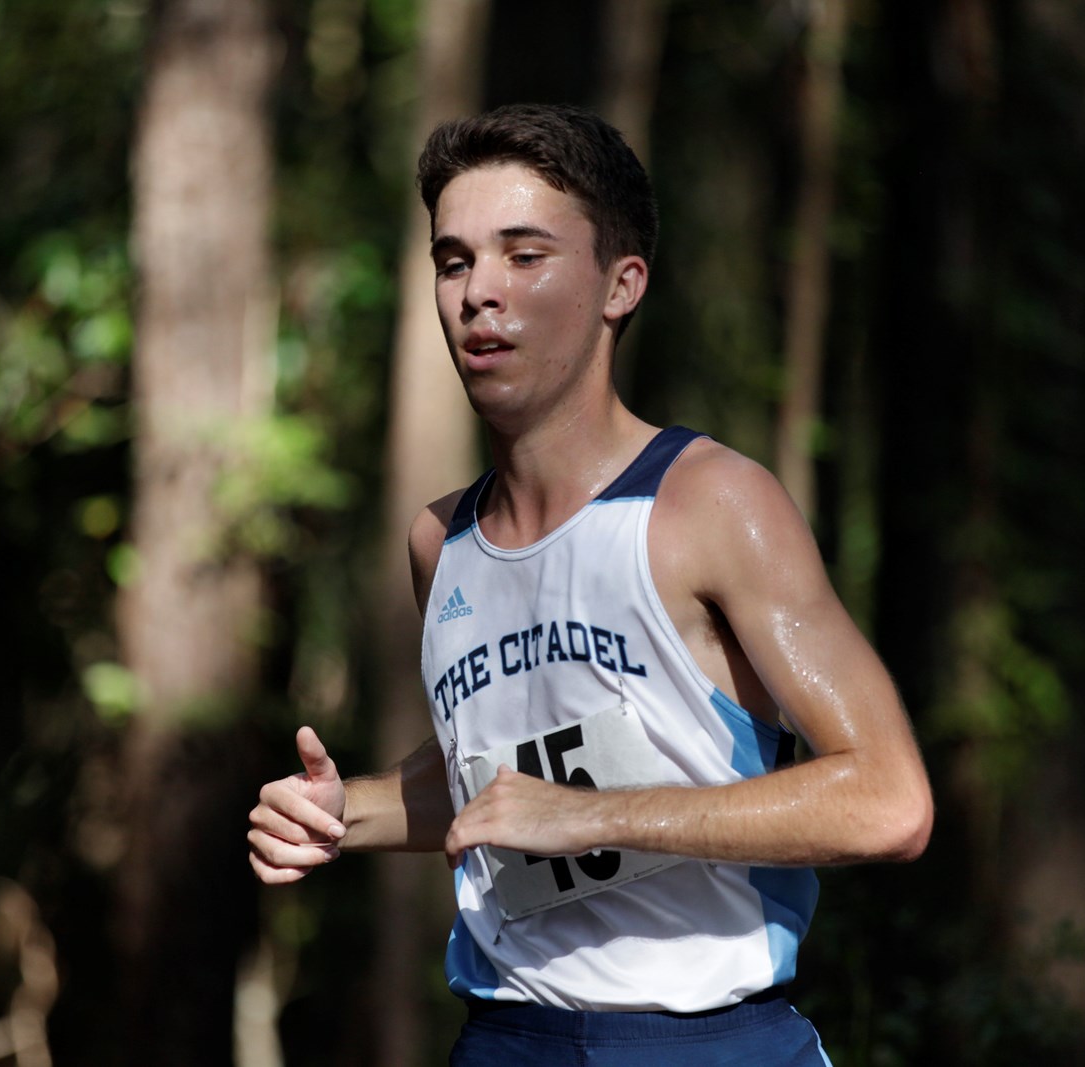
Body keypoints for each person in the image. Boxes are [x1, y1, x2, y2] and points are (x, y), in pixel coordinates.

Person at [248, 103, 933, 1065]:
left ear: (621, 285)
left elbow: (888, 799)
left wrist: (592, 817)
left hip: (708, 1038)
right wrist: (343, 814)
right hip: (506, 1036)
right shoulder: (439, 543)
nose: (480, 292)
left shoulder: (712, 504)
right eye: (455, 260)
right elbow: (503, 785)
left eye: (524, 256)